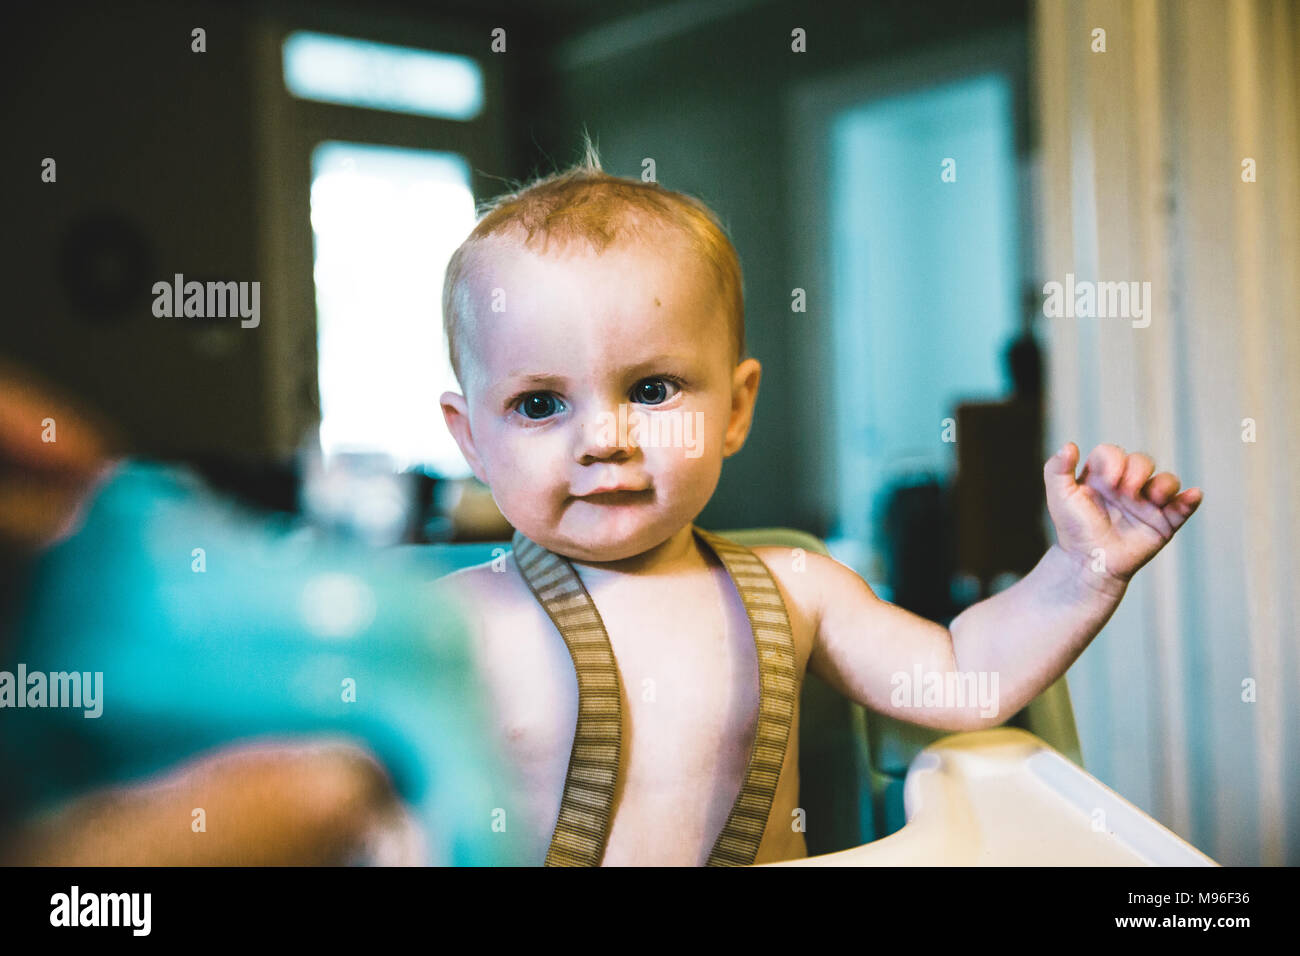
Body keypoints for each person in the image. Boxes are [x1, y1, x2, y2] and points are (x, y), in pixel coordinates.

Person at [432, 140, 1202, 866]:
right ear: (471, 440)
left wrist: (1084, 569)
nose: (603, 438)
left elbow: (965, 675)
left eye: (652, 390)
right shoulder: (441, 627)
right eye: (538, 405)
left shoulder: (798, 588)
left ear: (736, 409)